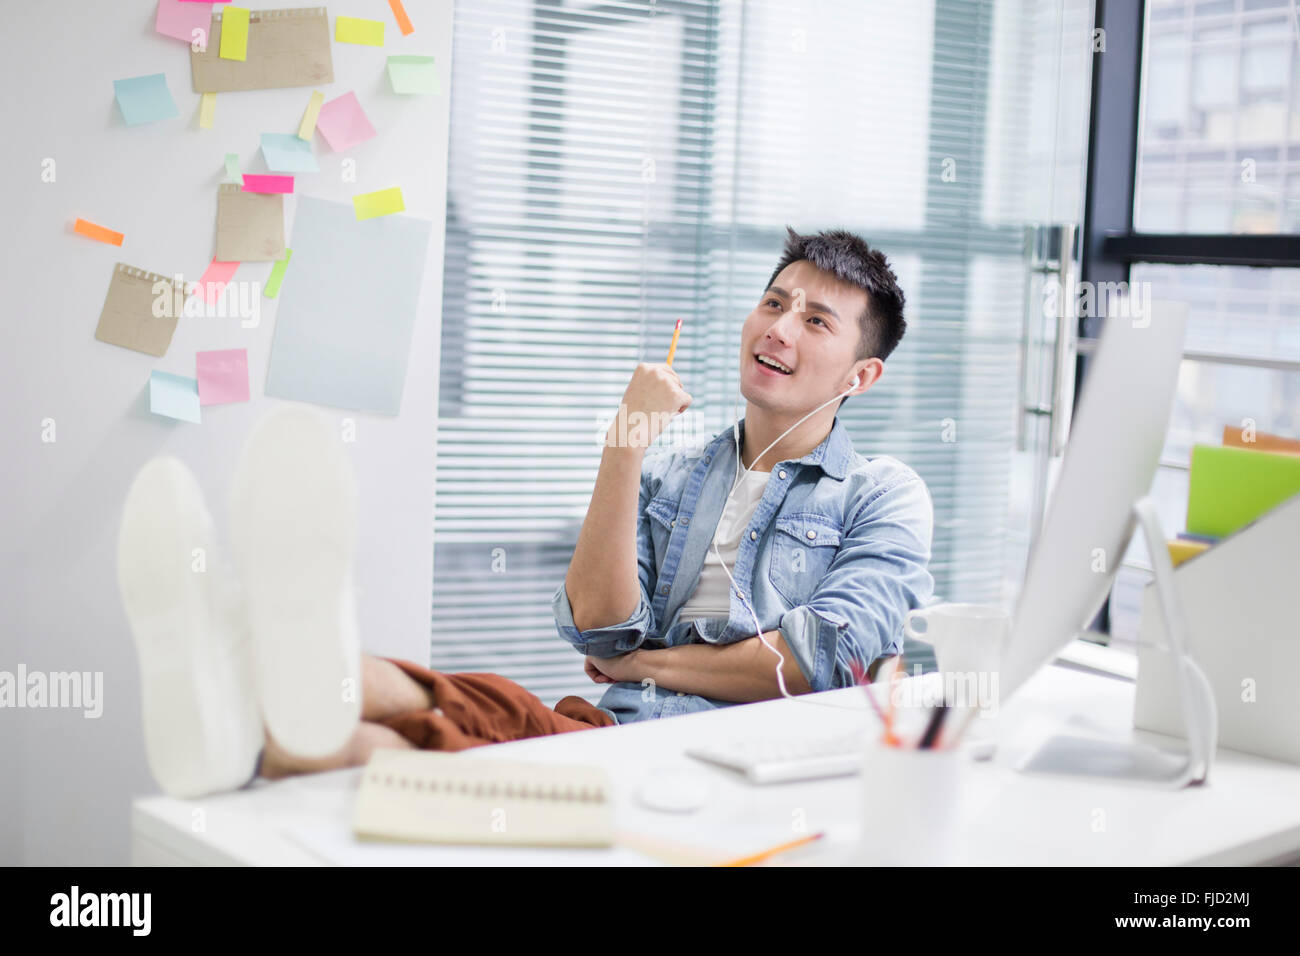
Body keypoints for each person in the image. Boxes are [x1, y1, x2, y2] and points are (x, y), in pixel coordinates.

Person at [119, 227, 934, 798]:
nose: (779, 326)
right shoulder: (680, 473)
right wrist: (626, 444)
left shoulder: (882, 496)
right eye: (774, 302)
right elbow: (600, 631)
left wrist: (650, 667)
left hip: (714, 765)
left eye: (816, 319)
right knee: (473, 709)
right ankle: (247, 663)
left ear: (860, 377)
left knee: (389, 746)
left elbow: (816, 663)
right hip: (611, 731)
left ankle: (237, 665)